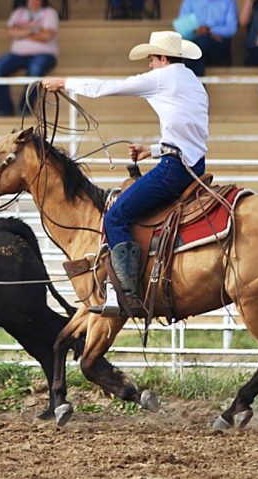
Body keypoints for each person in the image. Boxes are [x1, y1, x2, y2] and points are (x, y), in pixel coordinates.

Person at [41, 30, 208, 317]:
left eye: (152, 59)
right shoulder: (193, 82)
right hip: (193, 164)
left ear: (164, 58)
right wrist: (152, 150)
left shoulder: (162, 78)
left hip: (175, 169)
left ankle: (127, 294)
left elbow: (110, 87)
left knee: (116, 215)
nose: (149, 65)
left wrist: (65, 83)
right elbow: (190, 133)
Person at [0, 0, 60, 117]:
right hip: (17, 55)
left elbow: (47, 36)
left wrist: (21, 32)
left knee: (35, 70)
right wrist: (34, 30)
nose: (33, 0)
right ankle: (5, 108)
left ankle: (26, 108)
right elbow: (10, 32)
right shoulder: (18, 12)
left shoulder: (49, 12)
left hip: (44, 54)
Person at [177, 0, 239, 77]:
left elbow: (232, 29)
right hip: (195, 41)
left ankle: (194, 88)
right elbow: (182, 26)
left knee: (198, 46)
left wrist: (209, 31)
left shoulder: (229, 1)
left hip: (217, 45)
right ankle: (198, 88)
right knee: (197, 47)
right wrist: (197, 31)